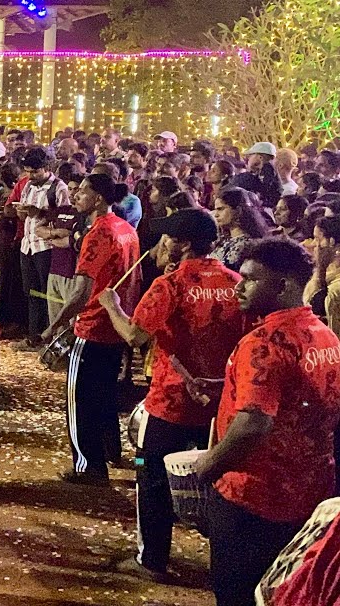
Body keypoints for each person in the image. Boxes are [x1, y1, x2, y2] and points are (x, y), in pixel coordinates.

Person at [97, 208, 244, 580]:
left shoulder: (171, 285)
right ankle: (220, 567)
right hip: (221, 404)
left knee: (152, 476)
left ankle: (152, 560)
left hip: (171, 403)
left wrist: (112, 307)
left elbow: (135, 335)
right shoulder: (237, 281)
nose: (161, 243)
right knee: (215, 484)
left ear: (182, 244)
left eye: (167, 238)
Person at [194, 238, 340, 606]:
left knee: (237, 593)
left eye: (250, 280)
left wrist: (209, 465)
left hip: (254, 497)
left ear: (284, 285)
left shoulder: (264, 342)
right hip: (310, 489)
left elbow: (254, 423)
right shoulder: (325, 335)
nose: (238, 287)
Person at [43, 173, 141, 485]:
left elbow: (83, 292)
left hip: (94, 325)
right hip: (117, 323)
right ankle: (110, 450)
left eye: (83, 191)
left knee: (80, 399)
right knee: (105, 391)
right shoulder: (125, 228)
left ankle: (88, 465)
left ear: (98, 198)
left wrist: (54, 325)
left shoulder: (98, 234)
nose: (76, 196)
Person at [15, 147, 71, 349]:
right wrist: (22, 212)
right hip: (28, 245)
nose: (31, 176)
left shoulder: (59, 188)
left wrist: (40, 213)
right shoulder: (28, 186)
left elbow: (65, 218)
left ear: (46, 168)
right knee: (31, 292)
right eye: (28, 171)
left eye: (35, 172)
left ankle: (51, 339)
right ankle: (33, 336)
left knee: (49, 295)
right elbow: (24, 216)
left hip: (46, 247)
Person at [211, 187, 270, 271]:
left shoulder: (250, 244)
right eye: (215, 209)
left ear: (238, 211)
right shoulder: (222, 241)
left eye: (221, 209)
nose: (216, 214)